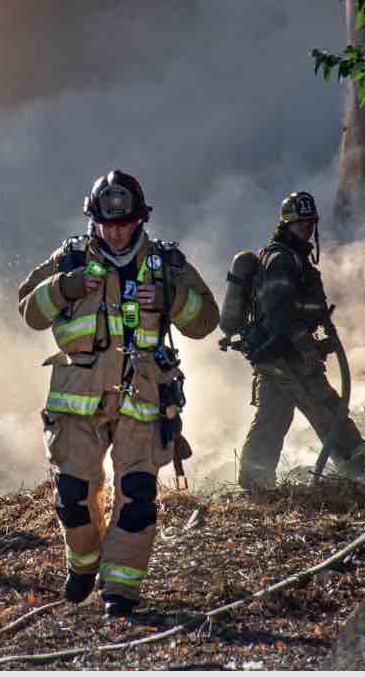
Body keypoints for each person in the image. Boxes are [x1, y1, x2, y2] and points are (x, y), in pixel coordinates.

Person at [17, 171, 219, 617]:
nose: (114, 231)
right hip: (77, 403)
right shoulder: (69, 258)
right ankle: (84, 564)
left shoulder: (166, 262)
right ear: (93, 220)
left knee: (138, 495)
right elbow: (28, 311)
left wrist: (170, 298)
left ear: (140, 219)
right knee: (73, 497)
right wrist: (65, 287)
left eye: (124, 223)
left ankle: (121, 592)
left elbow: (207, 320)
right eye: (106, 224)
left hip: (143, 400)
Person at [236, 191, 365, 491]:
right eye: (299, 225)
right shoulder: (282, 260)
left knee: (273, 416)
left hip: (277, 355)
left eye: (309, 224)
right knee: (328, 409)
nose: (306, 230)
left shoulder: (291, 258)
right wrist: (307, 347)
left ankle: (254, 483)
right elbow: (280, 313)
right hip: (286, 355)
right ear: (286, 225)